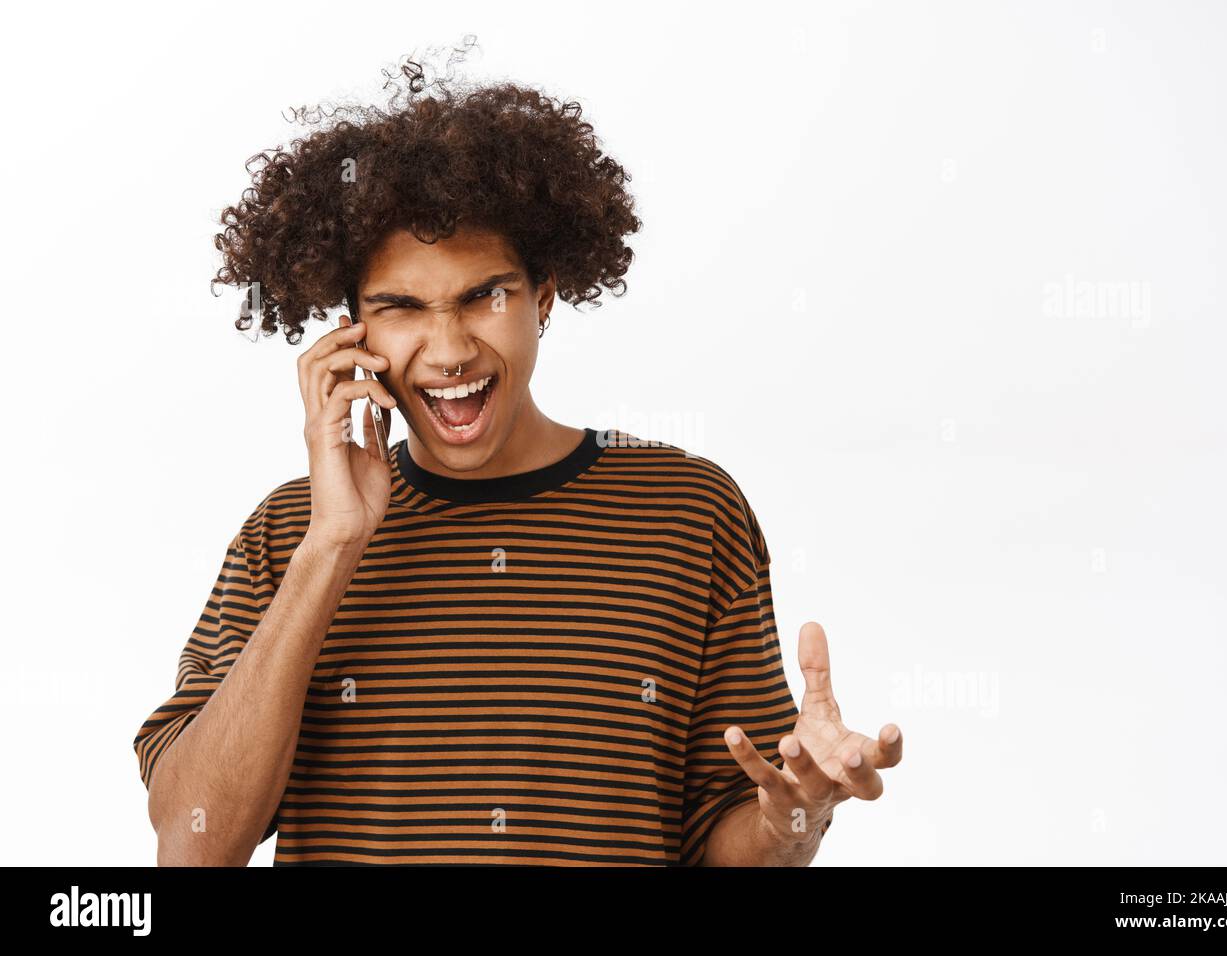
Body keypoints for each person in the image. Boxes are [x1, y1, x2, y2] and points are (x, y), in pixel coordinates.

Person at [133, 50, 903, 866]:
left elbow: (729, 847)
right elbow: (194, 846)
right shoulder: (289, 532)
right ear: (350, 331)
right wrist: (331, 548)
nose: (450, 348)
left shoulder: (687, 511)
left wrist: (799, 815)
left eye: (483, 296)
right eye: (401, 308)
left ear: (542, 297)